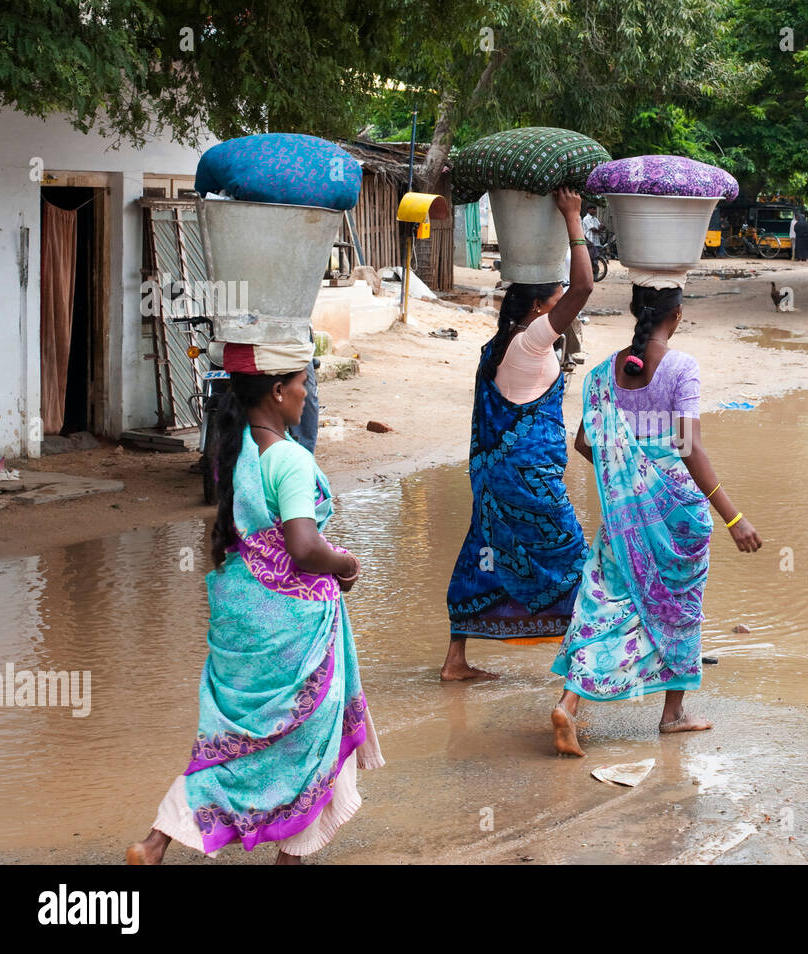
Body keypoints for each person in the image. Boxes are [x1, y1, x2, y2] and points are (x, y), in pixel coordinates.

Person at [127, 343, 383, 864]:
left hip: (242, 616)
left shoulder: (234, 449)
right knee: (309, 740)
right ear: (277, 390)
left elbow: (249, 535)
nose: (307, 395)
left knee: (228, 742)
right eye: (303, 384)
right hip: (292, 627)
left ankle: (155, 844)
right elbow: (304, 549)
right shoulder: (289, 458)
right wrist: (346, 564)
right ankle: (288, 858)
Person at [550, 285, 762, 756]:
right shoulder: (681, 368)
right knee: (678, 608)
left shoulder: (604, 373)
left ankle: (570, 704)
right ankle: (673, 714)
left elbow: (585, 444)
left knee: (603, 602)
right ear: (678, 314)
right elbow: (689, 448)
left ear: (632, 309)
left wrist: (628, 478)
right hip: (677, 515)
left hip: (623, 514)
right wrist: (734, 518)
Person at [444, 187, 593, 681]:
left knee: (481, 551)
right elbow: (584, 287)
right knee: (573, 555)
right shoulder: (532, 341)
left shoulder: (497, 343)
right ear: (537, 311)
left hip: (493, 477)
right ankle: (584, 664)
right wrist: (573, 220)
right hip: (528, 481)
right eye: (554, 301)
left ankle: (455, 661)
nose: (564, 309)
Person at [582, 203, 605, 269]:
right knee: (590, 260)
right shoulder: (586, 219)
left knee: (595, 260)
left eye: (595, 209)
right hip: (590, 243)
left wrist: (601, 227)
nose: (595, 211)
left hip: (596, 242)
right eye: (593, 209)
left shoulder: (595, 219)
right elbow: (594, 230)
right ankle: (590, 276)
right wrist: (600, 228)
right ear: (588, 210)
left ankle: (595, 277)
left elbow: (601, 227)